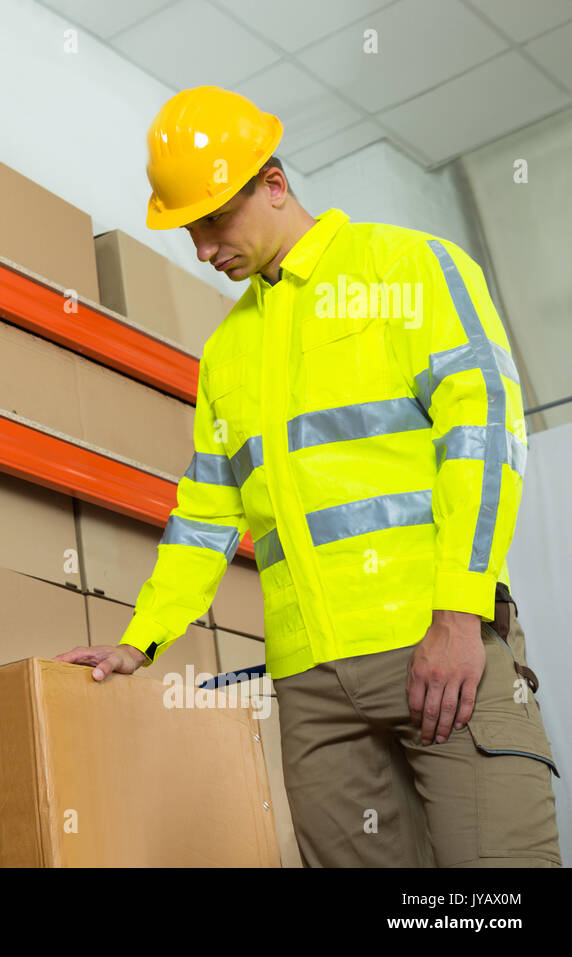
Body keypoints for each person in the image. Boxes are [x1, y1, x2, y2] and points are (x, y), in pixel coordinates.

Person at [56, 87, 560, 867]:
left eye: (215, 221)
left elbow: (486, 435)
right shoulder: (226, 352)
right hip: (314, 693)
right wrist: (140, 639)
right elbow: (206, 513)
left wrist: (460, 612)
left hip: (436, 643)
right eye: (189, 230)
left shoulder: (411, 268)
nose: (201, 249)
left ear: (275, 184)